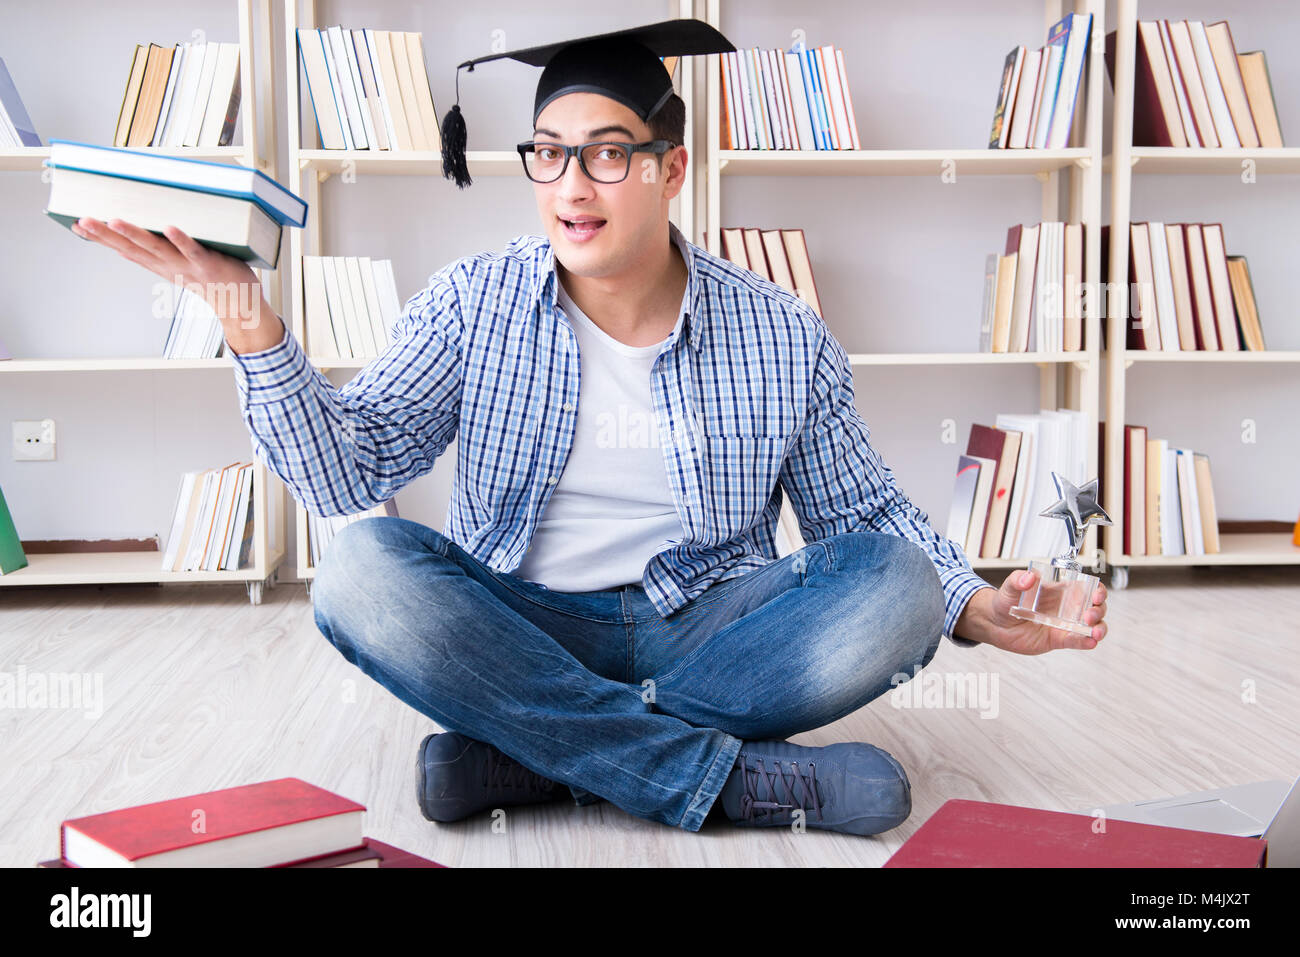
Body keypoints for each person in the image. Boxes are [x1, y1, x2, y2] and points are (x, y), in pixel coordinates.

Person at [71, 18, 1108, 838]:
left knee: (896, 584)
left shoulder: (781, 329)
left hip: (707, 625)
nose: (572, 186)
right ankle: (717, 778)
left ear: (671, 169)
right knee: (358, 571)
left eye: (609, 156)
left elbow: (862, 512)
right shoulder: (471, 301)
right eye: (549, 155)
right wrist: (248, 326)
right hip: (520, 621)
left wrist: (972, 605)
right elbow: (354, 467)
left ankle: (533, 751)